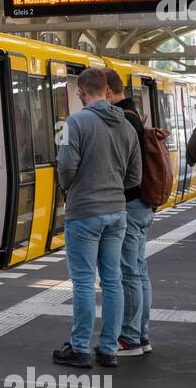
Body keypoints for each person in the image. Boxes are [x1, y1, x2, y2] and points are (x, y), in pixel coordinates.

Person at [53, 67, 141, 369]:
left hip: (85, 212)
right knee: (113, 280)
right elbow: (135, 176)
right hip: (117, 212)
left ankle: (79, 347)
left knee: (83, 282)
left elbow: (65, 165)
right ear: (107, 91)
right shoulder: (128, 126)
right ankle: (108, 349)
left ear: (81, 92)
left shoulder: (75, 122)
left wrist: (70, 187)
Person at [104, 70, 154, 357]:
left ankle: (131, 337)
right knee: (138, 271)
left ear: (108, 92)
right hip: (142, 204)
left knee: (128, 273)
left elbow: (125, 168)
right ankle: (141, 334)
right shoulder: (134, 114)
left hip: (131, 204)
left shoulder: (123, 119)